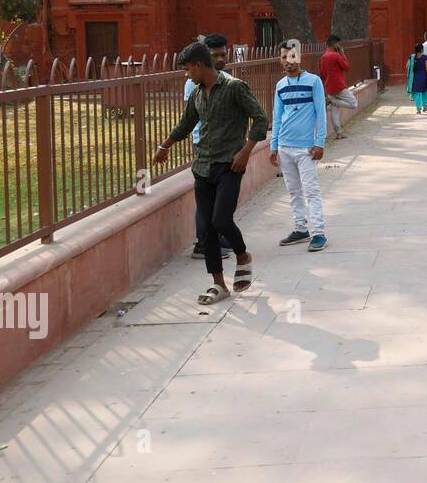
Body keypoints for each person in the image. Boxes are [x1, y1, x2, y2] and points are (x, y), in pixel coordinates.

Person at [153, 41, 268, 305]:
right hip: (202, 167)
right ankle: (218, 284)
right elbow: (186, 124)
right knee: (206, 229)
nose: (186, 74)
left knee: (221, 220)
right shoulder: (195, 93)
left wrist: (246, 151)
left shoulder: (234, 88)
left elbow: (260, 118)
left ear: (199, 65)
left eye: (187, 69)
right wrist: (165, 146)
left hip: (229, 164)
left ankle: (242, 255)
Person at [270, 40, 328, 252]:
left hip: (306, 149)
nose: (288, 61)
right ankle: (300, 228)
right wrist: (274, 146)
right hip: (285, 147)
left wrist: (319, 143)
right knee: (293, 191)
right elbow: (277, 117)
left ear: (299, 57)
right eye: (284, 57)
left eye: (292, 57)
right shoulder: (280, 86)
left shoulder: (313, 82)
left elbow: (321, 114)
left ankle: (319, 232)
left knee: (311, 191)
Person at [184, 33, 233, 260]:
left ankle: (217, 236)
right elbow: (194, 117)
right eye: (215, 55)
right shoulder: (193, 81)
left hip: (223, 146)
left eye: (223, 53)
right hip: (204, 145)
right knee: (205, 197)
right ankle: (203, 242)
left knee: (219, 197)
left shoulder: (225, 78)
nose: (221, 58)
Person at [319, 35, 358, 140]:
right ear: (335, 44)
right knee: (353, 103)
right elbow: (346, 67)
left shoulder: (323, 57)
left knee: (334, 112)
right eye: (338, 44)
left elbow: (322, 74)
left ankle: (338, 133)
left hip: (329, 87)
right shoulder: (336, 55)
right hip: (339, 86)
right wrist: (342, 54)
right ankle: (332, 100)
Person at [406, 43, 427, 113]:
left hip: (415, 77)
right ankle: (425, 106)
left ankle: (418, 109)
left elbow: (407, 66)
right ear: (422, 49)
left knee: (417, 93)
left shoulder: (412, 57)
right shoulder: (425, 57)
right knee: (425, 92)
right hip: (423, 77)